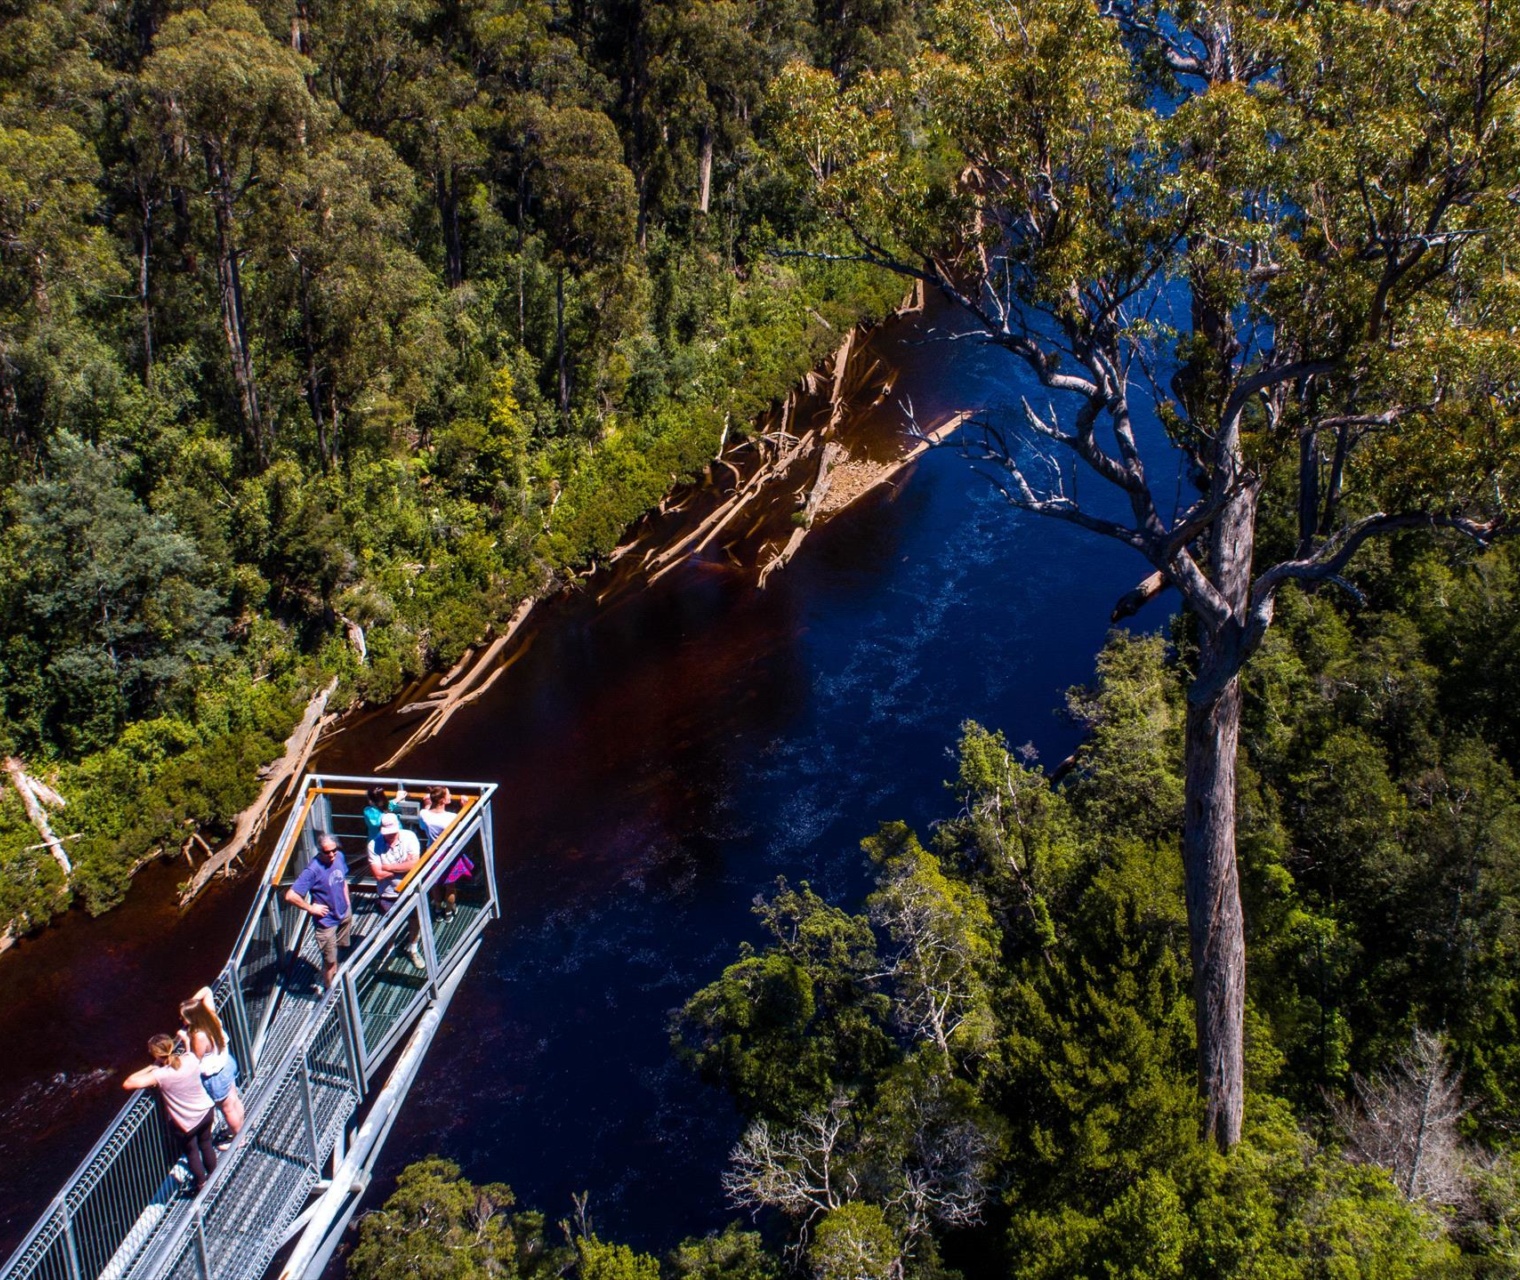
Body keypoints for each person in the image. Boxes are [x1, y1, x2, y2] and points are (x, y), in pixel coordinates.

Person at [123, 1034, 217, 1193]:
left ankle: (202, 1184)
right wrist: (186, 1041)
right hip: (206, 1110)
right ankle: (215, 1175)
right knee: (206, 1143)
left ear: (156, 1055)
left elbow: (128, 1082)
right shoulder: (190, 1058)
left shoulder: (160, 1074)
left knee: (192, 1152)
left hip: (187, 1123)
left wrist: (152, 1066)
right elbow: (189, 1052)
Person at [285, 833, 352, 990]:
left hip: (344, 913)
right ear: (319, 851)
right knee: (329, 962)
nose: (331, 855)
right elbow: (290, 896)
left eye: (334, 850)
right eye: (327, 852)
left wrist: (347, 901)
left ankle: (335, 972)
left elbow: (343, 880)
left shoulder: (339, 857)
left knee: (341, 947)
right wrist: (311, 908)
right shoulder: (313, 870)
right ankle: (330, 990)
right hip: (326, 921)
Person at [178, 986, 244, 1139]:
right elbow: (207, 990)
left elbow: (194, 1060)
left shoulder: (199, 1036)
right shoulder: (211, 1016)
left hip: (216, 1077)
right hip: (227, 1064)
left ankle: (239, 1139)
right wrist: (191, 1005)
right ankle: (240, 1128)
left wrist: (186, 1040)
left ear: (192, 1018)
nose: (182, 1020)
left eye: (184, 1017)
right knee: (233, 1100)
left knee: (227, 1109)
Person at [368, 812, 424, 968]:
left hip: (411, 890)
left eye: (392, 832)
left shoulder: (409, 837)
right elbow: (378, 875)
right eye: (387, 833)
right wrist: (402, 868)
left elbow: (414, 864)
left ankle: (413, 949)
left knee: (415, 919)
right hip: (388, 894)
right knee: (390, 923)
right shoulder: (373, 844)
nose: (390, 836)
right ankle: (389, 951)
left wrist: (387, 867)